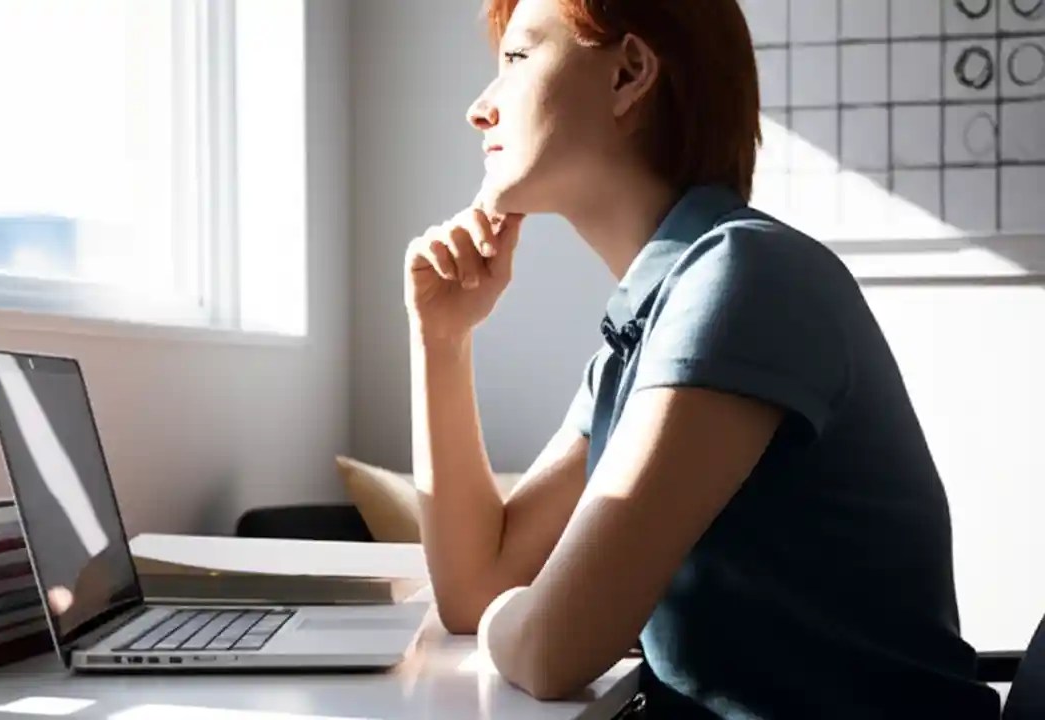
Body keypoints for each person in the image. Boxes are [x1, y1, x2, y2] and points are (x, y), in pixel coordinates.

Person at [400, 0, 1001, 717]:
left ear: (629, 74)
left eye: (518, 59)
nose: (479, 107)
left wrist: (514, 614)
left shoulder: (743, 276)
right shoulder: (655, 318)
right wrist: (441, 338)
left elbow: (551, 650)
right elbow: (476, 584)